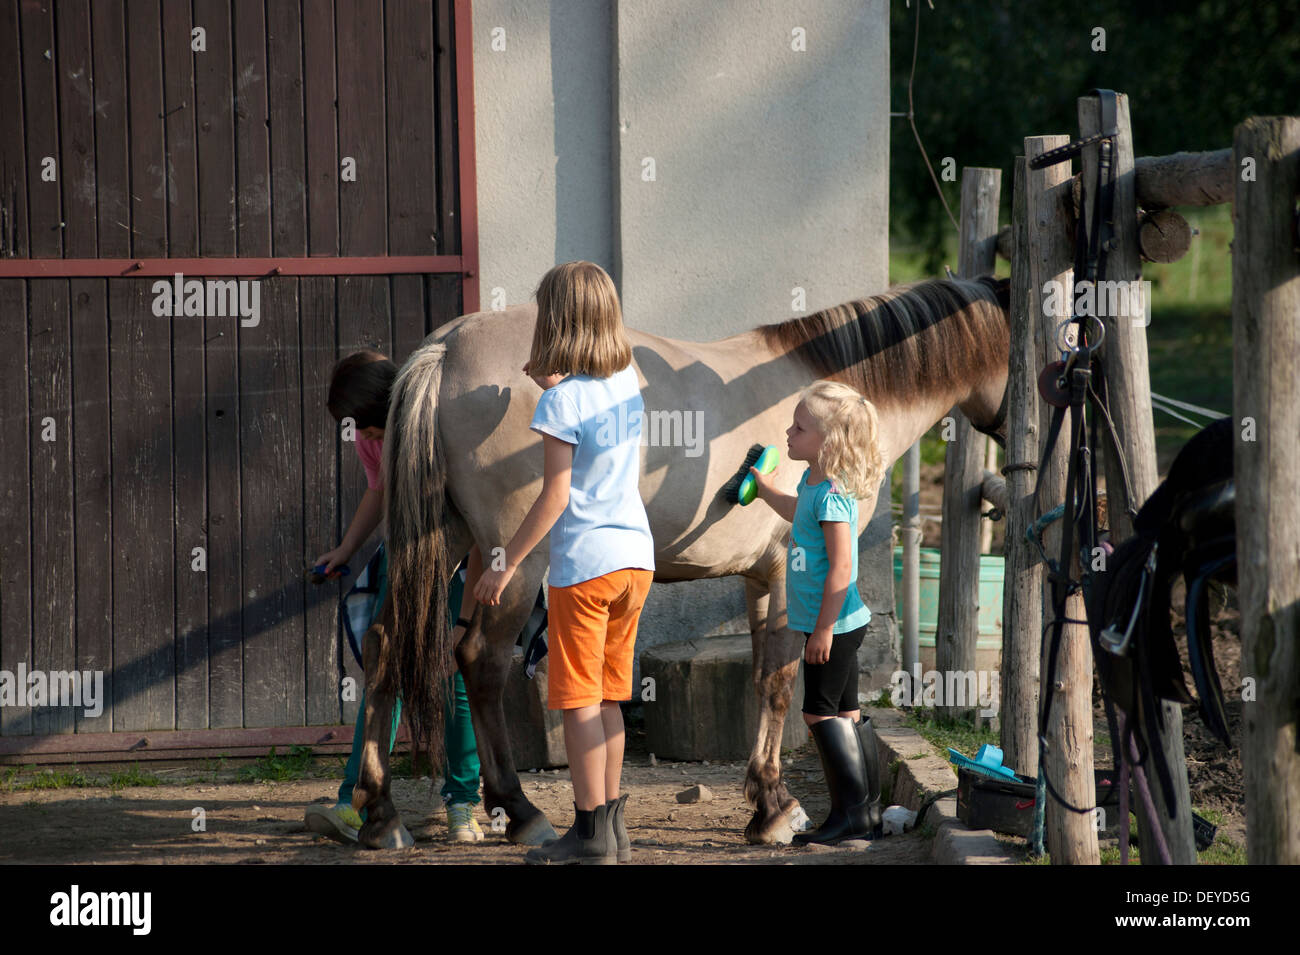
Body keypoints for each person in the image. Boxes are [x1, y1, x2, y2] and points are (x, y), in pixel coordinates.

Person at [474, 261, 655, 865]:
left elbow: (555, 495)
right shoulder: (629, 377)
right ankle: (612, 828)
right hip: (638, 559)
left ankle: (585, 833)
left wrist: (504, 565)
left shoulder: (561, 404)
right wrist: (558, 386)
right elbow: (598, 412)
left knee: (577, 700)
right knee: (609, 699)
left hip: (587, 567)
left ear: (554, 321)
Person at [303, 349, 486, 845]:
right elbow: (379, 490)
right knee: (385, 675)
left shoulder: (438, 428)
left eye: (367, 427)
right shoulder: (373, 439)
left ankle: (463, 804)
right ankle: (354, 801)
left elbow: (476, 514)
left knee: (455, 675)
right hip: (403, 553)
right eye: (357, 430)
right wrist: (346, 548)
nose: (363, 438)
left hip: (452, 554)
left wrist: (466, 615)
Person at [748, 379, 886, 845]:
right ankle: (865, 813)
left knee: (817, 714)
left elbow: (842, 566)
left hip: (836, 626)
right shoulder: (812, 484)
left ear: (827, 442)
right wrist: (765, 491)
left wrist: (823, 630)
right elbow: (798, 510)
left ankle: (850, 817)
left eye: (799, 427)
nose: (788, 433)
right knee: (846, 711)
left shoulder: (831, 493)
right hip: (836, 624)